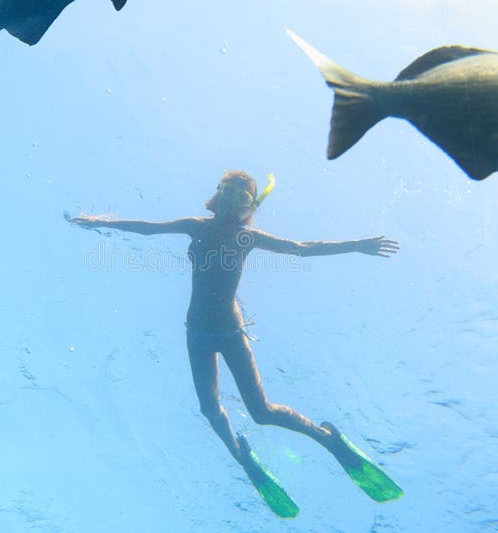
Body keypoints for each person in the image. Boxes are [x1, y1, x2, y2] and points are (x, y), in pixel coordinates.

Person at [69, 171, 401, 510]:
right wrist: (97, 222)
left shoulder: (247, 238)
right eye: (230, 193)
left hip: (230, 334)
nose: (233, 203)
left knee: (262, 412)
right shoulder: (195, 226)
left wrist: (358, 246)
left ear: (248, 207)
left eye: (242, 198)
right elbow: (146, 227)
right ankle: (242, 455)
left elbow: (302, 249)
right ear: (219, 196)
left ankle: (328, 439)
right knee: (210, 410)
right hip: (196, 334)